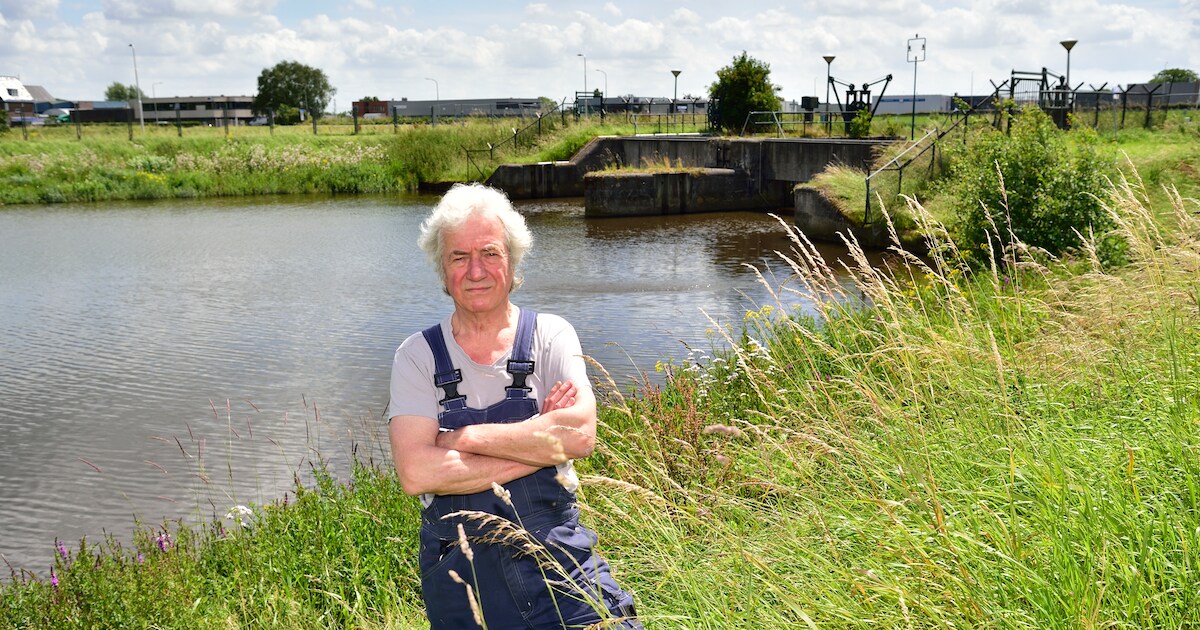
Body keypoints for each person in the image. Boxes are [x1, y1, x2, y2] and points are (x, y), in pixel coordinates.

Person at [388, 183, 641, 629]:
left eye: (489, 253)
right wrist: (540, 438)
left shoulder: (550, 336)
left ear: (512, 259)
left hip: (559, 557)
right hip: (460, 575)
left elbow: (579, 435)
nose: (476, 271)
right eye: (458, 257)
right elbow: (416, 473)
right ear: (441, 268)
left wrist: (465, 439)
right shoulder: (417, 356)